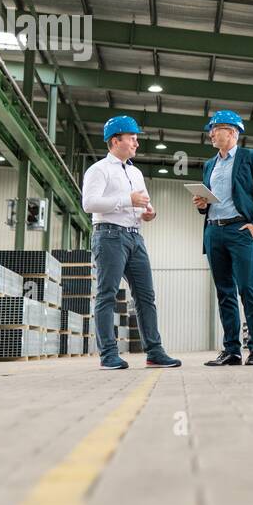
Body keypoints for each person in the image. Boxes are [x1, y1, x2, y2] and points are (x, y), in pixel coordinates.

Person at [81, 115, 182, 370]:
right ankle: (108, 355)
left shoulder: (135, 172)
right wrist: (127, 200)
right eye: (132, 139)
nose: (137, 144)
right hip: (109, 236)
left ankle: (154, 352)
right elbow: (89, 203)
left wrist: (150, 213)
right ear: (116, 141)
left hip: (135, 237)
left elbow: (145, 205)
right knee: (107, 294)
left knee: (146, 297)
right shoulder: (99, 170)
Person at [193, 109, 253, 366]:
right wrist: (201, 205)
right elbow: (210, 201)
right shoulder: (210, 164)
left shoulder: (250, 157)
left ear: (232, 132)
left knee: (248, 290)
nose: (210, 133)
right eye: (210, 129)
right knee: (225, 292)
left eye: (215, 129)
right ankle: (231, 350)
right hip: (214, 231)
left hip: (241, 231)